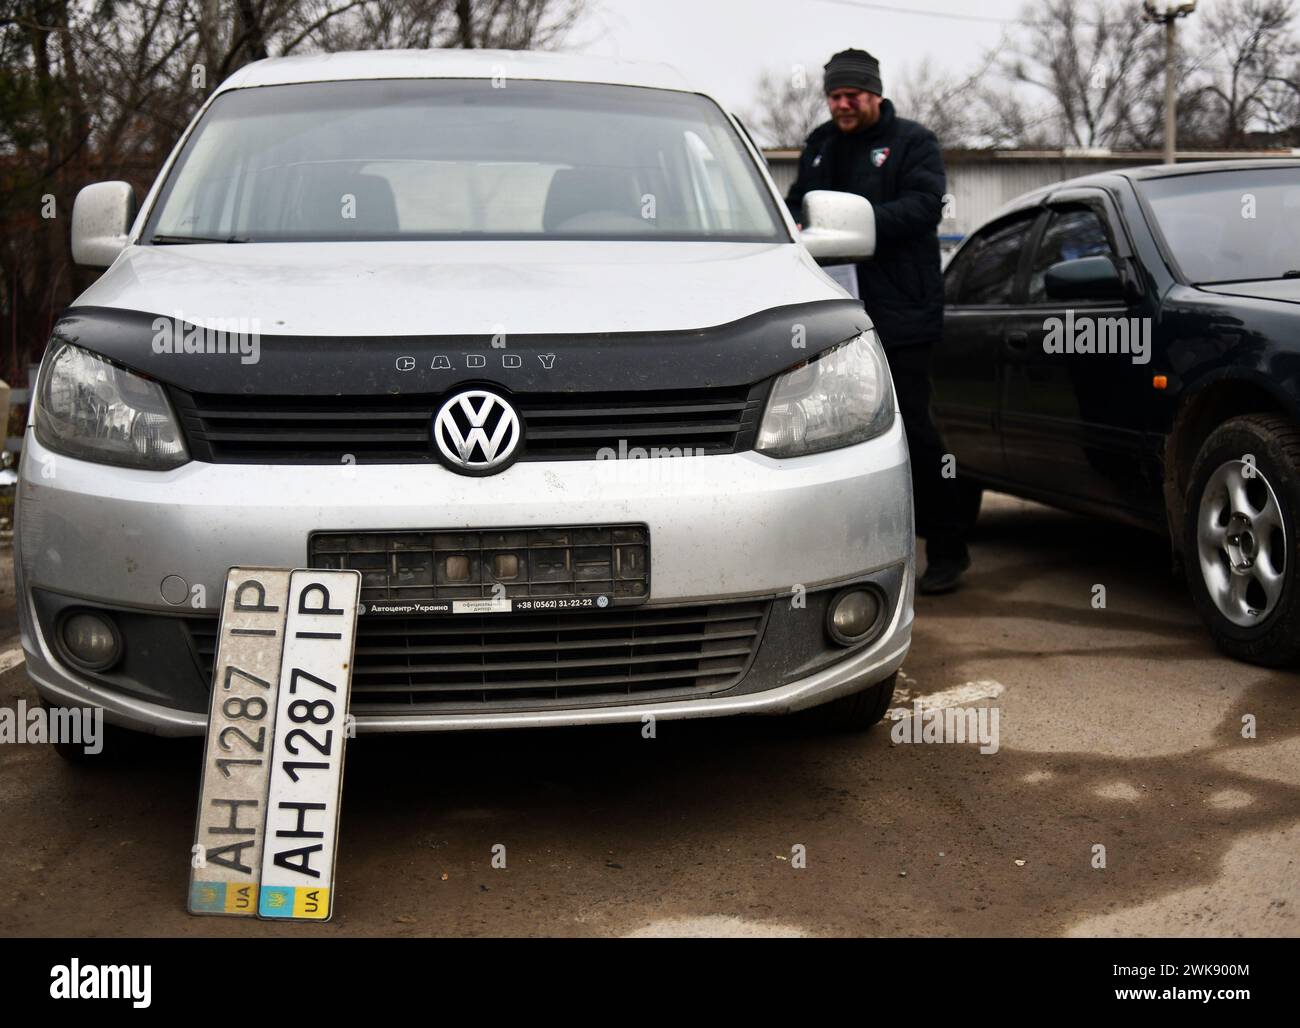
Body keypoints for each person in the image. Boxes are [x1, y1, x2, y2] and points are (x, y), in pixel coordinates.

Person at [786, 48, 971, 594]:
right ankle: (856, 553)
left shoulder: (913, 142)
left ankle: (948, 547)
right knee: (833, 430)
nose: (841, 105)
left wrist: (859, 225)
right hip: (835, 311)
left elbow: (925, 205)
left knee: (913, 428)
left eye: (851, 95)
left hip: (902, 312)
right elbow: (797, 207)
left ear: (875, 94)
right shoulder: (820, 145)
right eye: (834, 96)